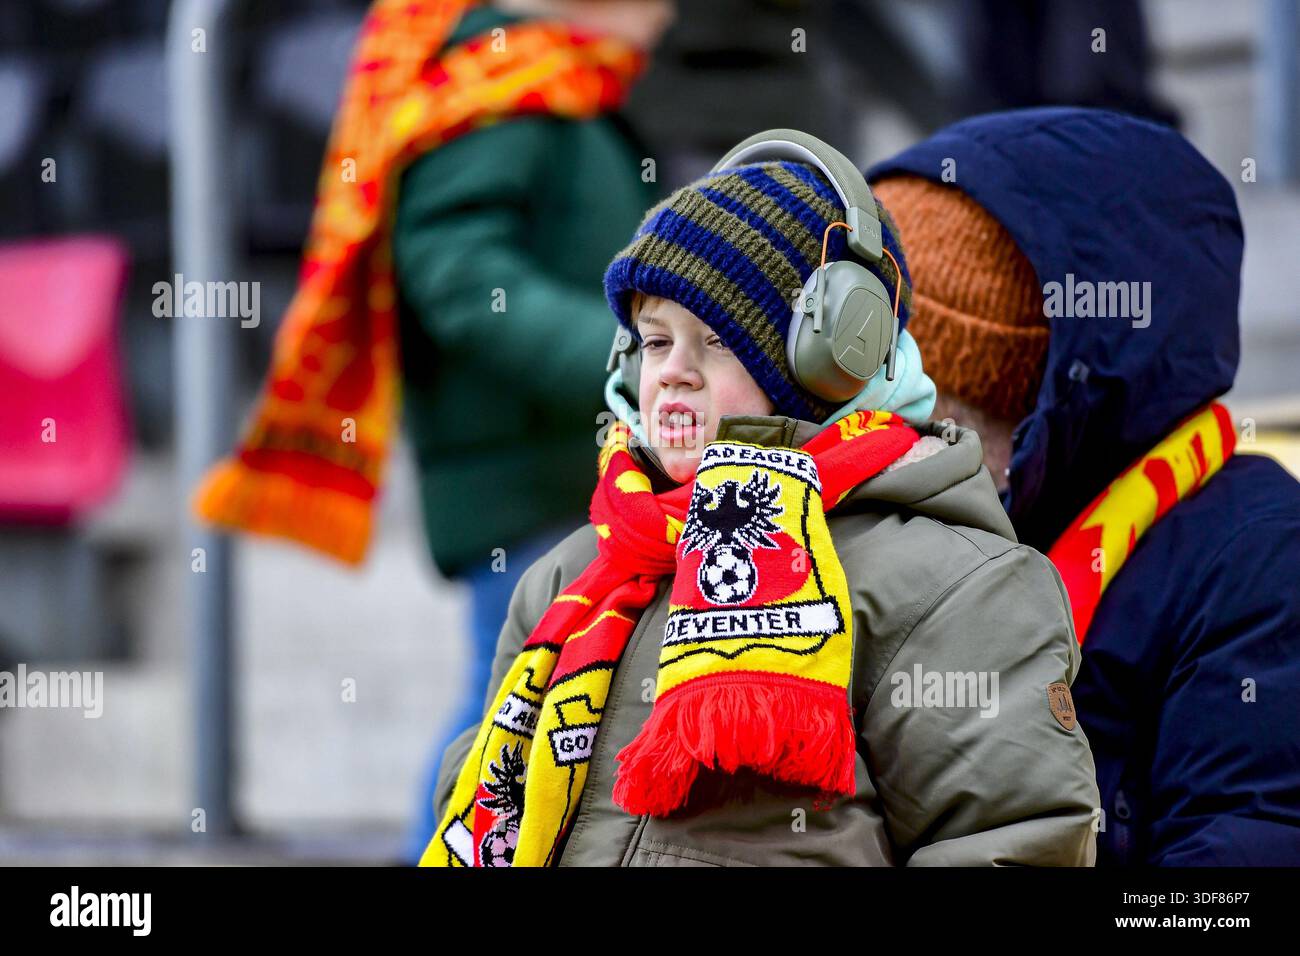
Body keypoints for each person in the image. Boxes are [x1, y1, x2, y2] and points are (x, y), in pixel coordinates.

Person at [419, 130, 1100, 867]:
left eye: (715, 341)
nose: (673, 373)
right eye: (654, 342)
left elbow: (1010, 844)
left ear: (829, 362)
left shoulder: (954, 590)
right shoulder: (573, 577)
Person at [189, 0, 675, 863]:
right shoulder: (497, 95)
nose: (670, 11)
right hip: (520, 475)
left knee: (535, 708)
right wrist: (625, 362)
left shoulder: (568, 90)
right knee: (507, 715)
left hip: (567, 462)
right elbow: (457, 279)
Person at [868, 106, 1300, 865]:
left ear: (1040, 408)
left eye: (938, 421)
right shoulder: (888, 548)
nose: (898, 457)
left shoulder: (1259, 559)